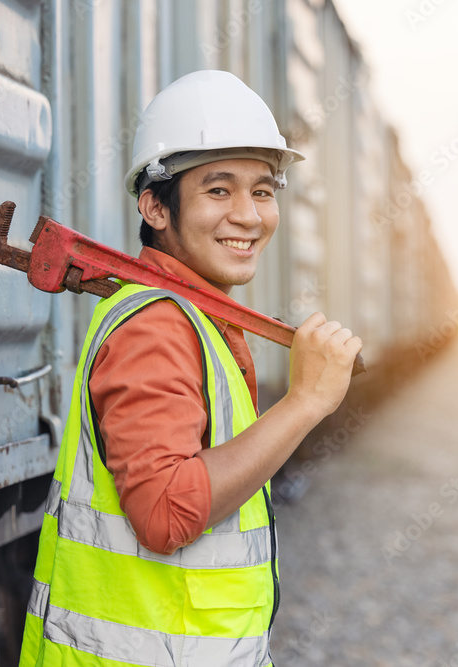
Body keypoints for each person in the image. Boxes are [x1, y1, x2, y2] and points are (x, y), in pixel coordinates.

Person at [19, 70, 362, 666]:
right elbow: (164, 513)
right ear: (155, 205)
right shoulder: (157, 326)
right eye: (218, 190)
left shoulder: (196, 316)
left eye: (262, 190)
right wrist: (305, 402)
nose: (250, 216)